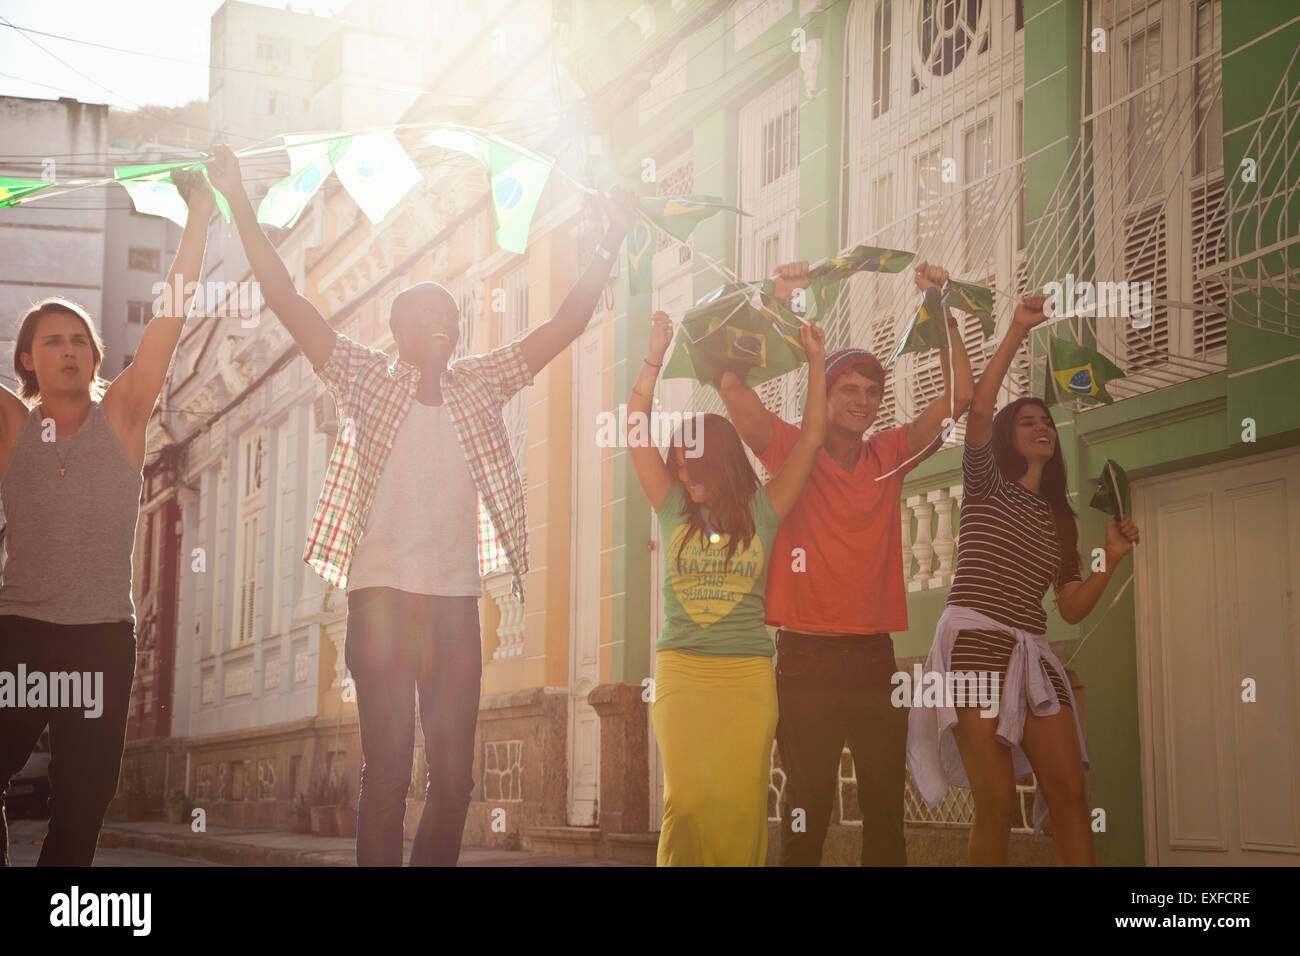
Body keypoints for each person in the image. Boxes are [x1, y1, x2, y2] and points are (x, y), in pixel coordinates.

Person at [205, 146, 634, 866]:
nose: (445, 321)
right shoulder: (365, 377)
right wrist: (236, 200)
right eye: (427, 313)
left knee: (457, 777)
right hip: (380, 604)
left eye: (452, 313)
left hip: (455, 605)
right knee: (389, 771)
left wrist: (610, 239)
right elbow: (286, 298)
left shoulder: (480, 383)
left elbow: (563, 324)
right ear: (399, 332)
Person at [713, 260, 973, 866]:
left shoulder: (888, 454)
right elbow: (730, 386)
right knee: (809, 807)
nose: (863, 402)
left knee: (887, 809)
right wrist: (778, 302)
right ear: (824, 396)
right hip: (805, 658)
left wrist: (942, 305)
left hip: (873, 656)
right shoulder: (787, 446)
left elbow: (959, 396)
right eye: (848, 391)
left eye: (871, 392)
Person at [0, 171, 214, 866]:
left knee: (84, 805)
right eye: (52, 341)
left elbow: (171, 318)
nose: (69, 349)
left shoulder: (122, 416)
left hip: (99, 640)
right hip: (19, 635)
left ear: (94, 356)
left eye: (79, 340)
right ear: (27, 360)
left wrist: (201, 214)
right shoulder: (10, 425)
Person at [906, 293, 1140, 866]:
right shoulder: (986, 483)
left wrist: (1110, 558)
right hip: (973, 644)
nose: (1042, 428)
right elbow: (980, 409)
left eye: (1047, 422)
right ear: (1010, 436)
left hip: (1033, 653)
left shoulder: (1062, 517)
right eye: (1028, 421)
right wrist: (1015, 328)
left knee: (1072, 794)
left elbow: (1072, 607)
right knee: (997, 802)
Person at [628, 309, 826, 866]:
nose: (685, 468)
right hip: (682, 674)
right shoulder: (671, 510)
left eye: (696, 457)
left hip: (746, 678)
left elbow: (811, 441)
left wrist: (816, 361)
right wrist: (652, 359)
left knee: (740, 807)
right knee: (687, 802)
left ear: (721, 459)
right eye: (679, 458)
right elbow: (636, 426)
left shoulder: (763, 512)